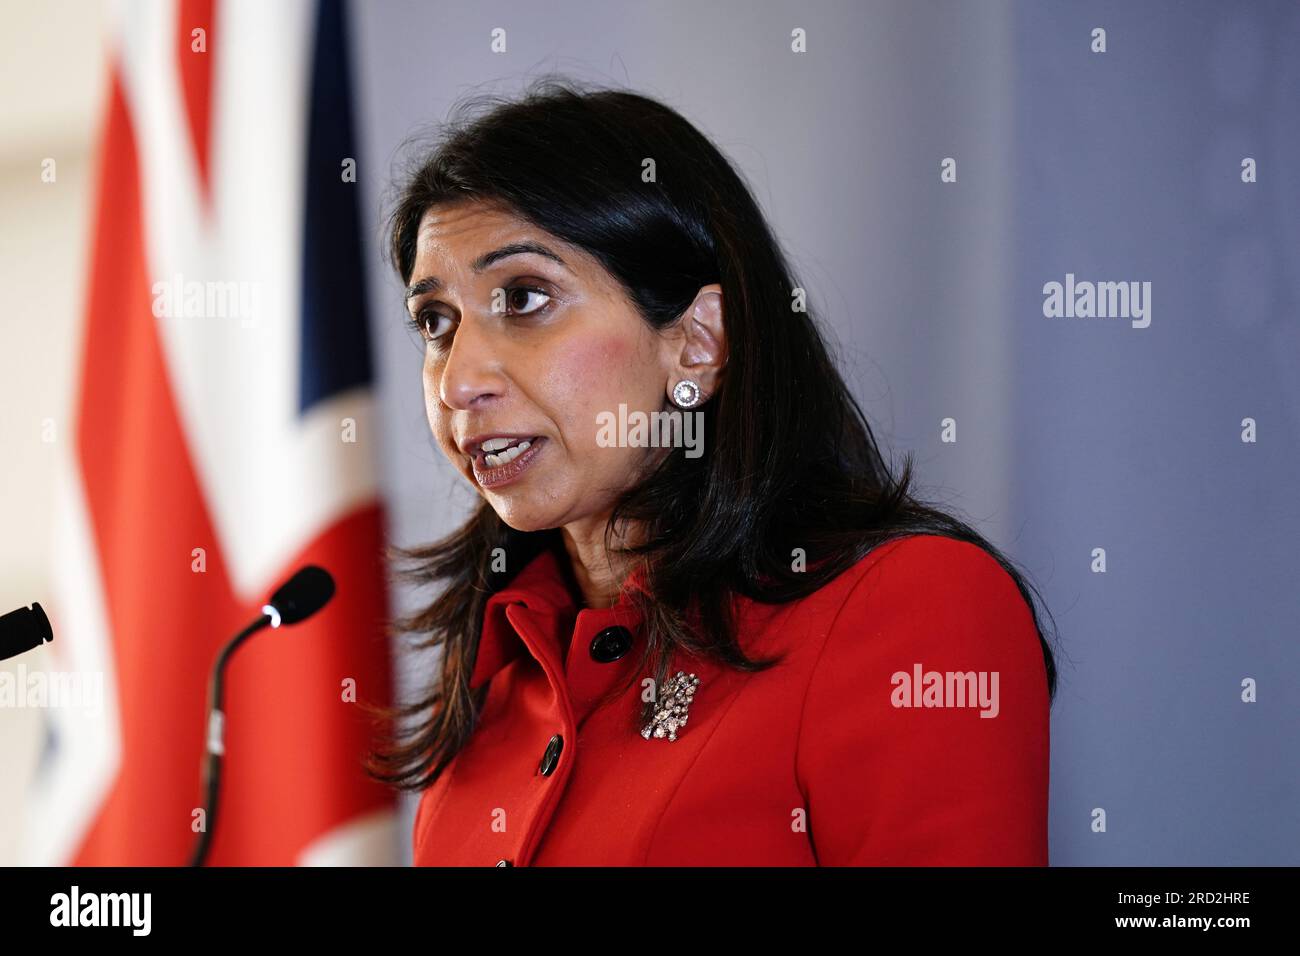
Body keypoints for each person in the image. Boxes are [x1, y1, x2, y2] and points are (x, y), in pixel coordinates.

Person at [365, 77, 1058, 866]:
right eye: (435, 323)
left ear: (698, 343)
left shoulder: (911, 610)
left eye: (523, 297)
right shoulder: (499, 672)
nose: (458, 381)